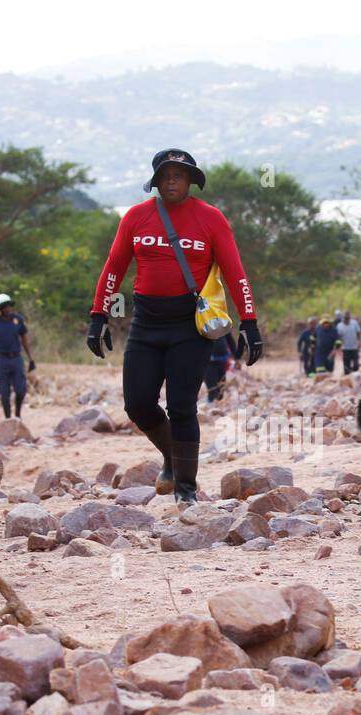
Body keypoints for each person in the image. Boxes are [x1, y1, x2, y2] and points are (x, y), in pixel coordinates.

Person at [86, 148, 261, 503]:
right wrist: (98, 316)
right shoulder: (136, 217)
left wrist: (250, 323)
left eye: (179, 175)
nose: (172, 181)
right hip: (146, 324)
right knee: (137, 404)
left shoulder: (211, 219)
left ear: (191, 181)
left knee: (182, 406)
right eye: (165, 175)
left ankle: (185, 490)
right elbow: (113, 269)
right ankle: (170, 455)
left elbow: (234, 272)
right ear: (155, 180)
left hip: (190, 327)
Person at [0, 294, 35, 420]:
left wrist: (30, 358)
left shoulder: (18, 320)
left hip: (16, 358)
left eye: (8, 306)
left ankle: (17, 413)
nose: (7, 309)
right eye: (4, 307)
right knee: (4, 394)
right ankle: (8, 418)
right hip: (2, 360)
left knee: (21, 389)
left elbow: (24, 340)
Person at [204, 332, 242, 403]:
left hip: (222, 361)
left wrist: (237, 359)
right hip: (208, 363)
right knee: (212, 390)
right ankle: (209, 407)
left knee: (220, 392)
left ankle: (215, 410)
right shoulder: (201, 323)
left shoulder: (223, 323)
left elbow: (230, 341)